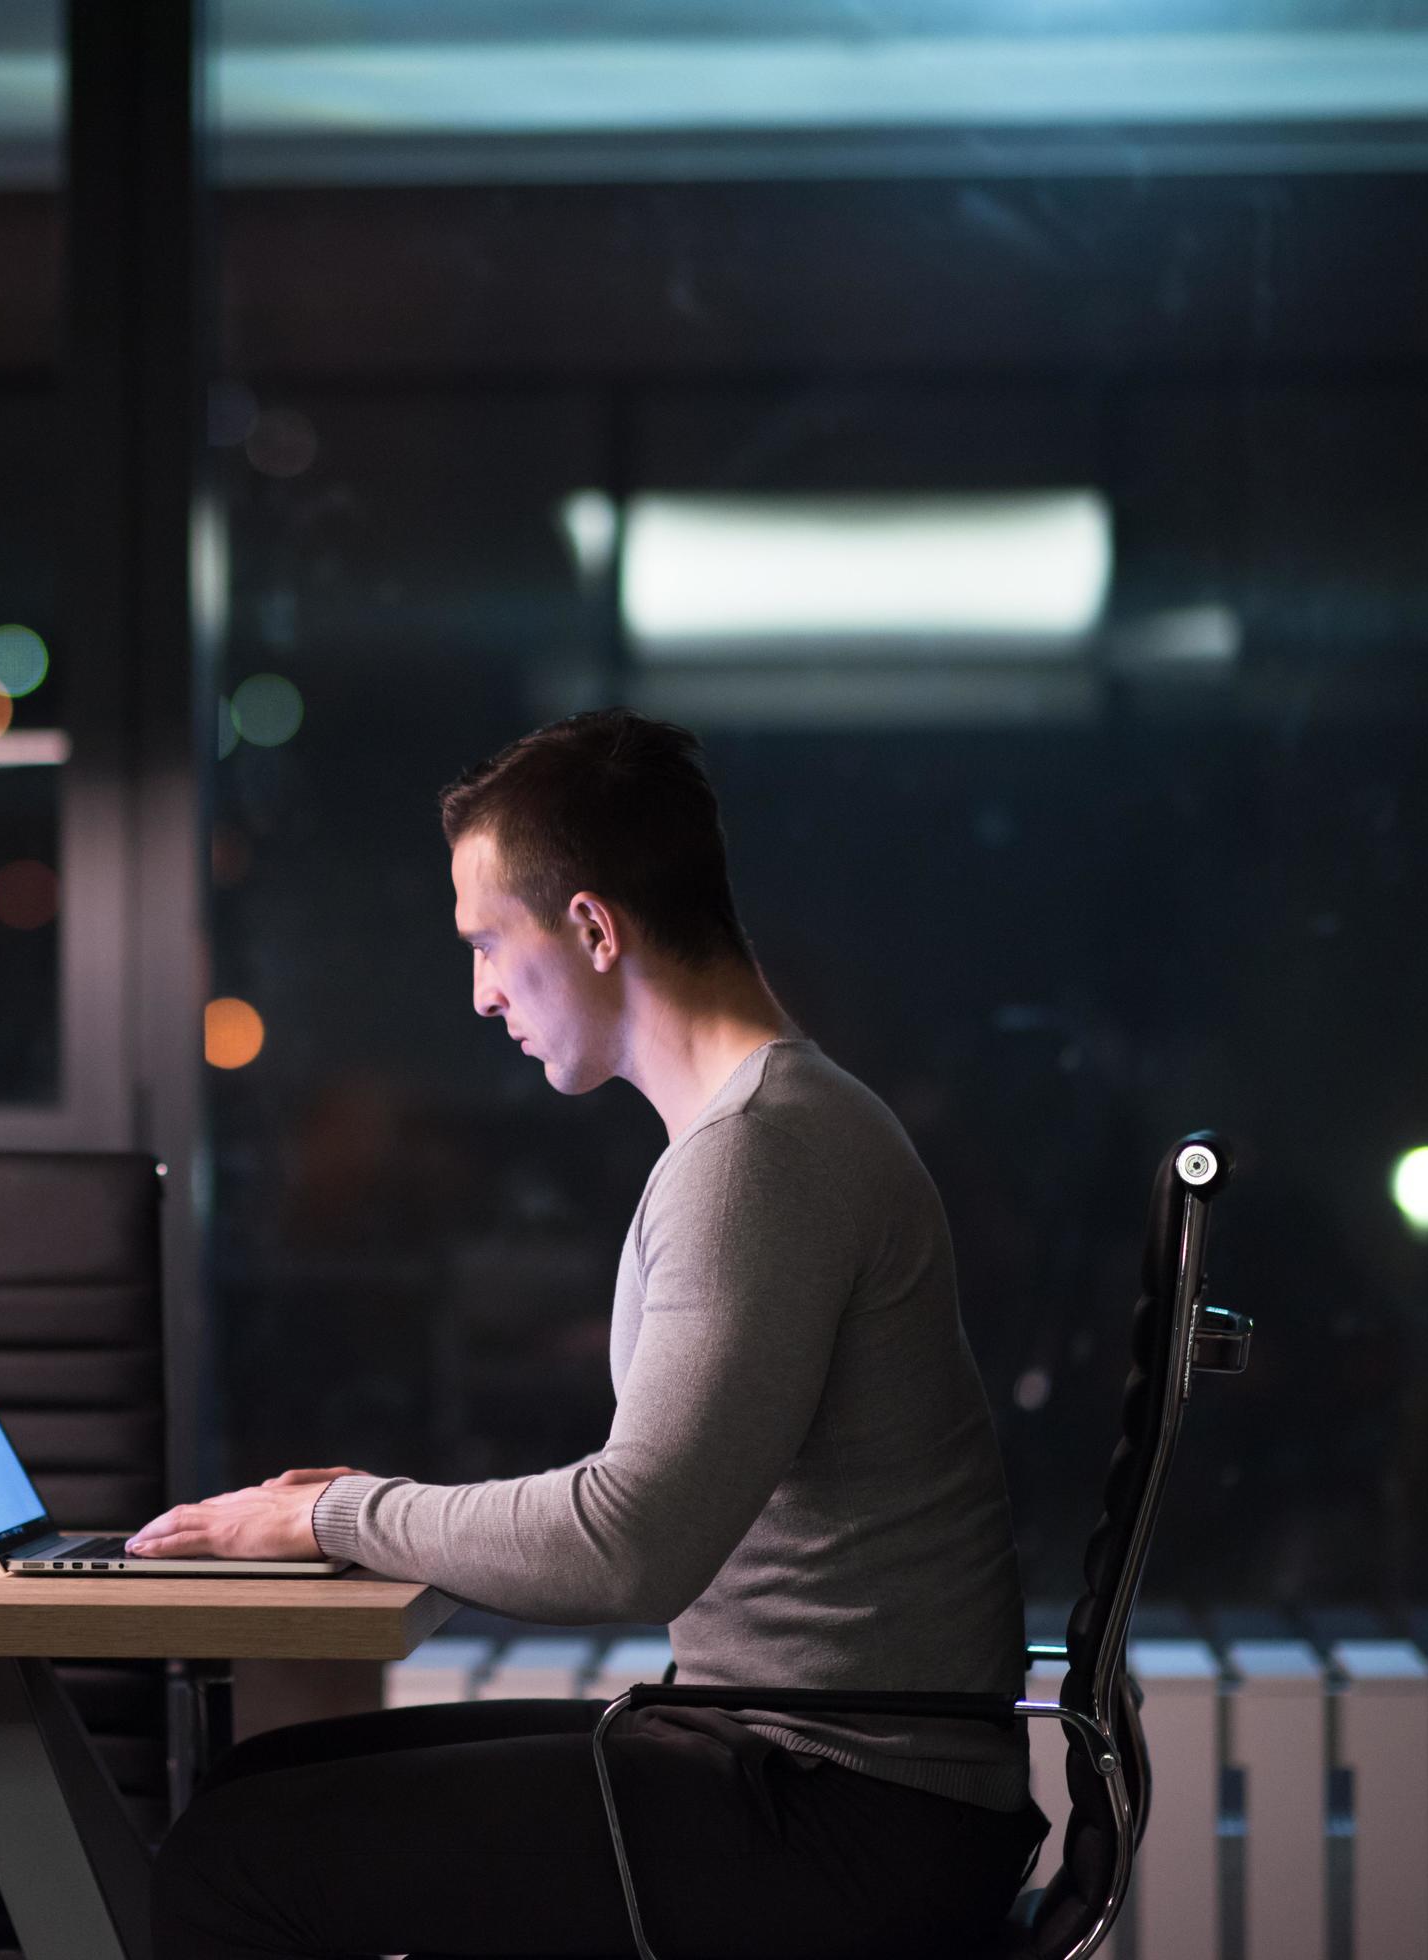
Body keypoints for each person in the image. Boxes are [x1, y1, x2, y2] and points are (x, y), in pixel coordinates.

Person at [127, 709, 1045, 1959]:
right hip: (814, 1769)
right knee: (246, 1796)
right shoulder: (781, 1125)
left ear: (596, 928)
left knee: (231, 1862)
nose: (480, 992)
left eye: (489, 944)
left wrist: (339, 1514)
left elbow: (629, 1545)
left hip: (843, 1819)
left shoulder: (756, 1158)